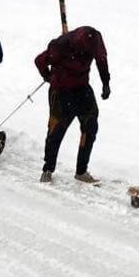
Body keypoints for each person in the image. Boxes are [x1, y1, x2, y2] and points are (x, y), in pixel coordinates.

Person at [35, 26, 110, 184]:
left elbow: (101, 60)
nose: (86, 55)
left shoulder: (95, 39)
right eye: (83, 51)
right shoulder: (61, 45)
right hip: (61, 92)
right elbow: (40, 60)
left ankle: (81, 171)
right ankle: (48, 168)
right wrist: (47, 76)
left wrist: (105, 82)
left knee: (90, 126)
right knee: (56, 130)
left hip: (82, 89)